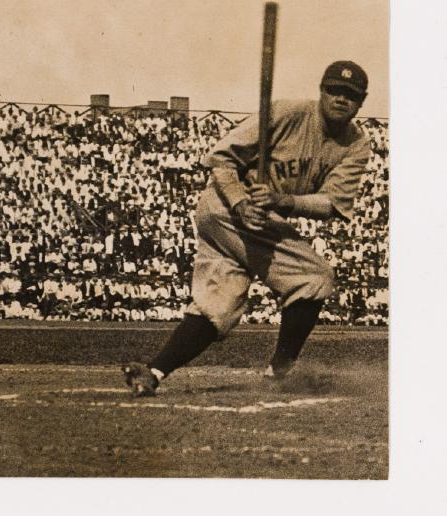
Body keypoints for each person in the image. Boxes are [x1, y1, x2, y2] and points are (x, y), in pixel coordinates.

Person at [123, 61, 372, 396]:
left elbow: (332, 204)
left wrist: (282, 201)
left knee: (217, 309)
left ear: (361, 102)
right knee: (313, 276)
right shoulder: (286, 113)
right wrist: (241, 201)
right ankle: (280, 371)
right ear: (321, 91)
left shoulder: (355, 145)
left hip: (257, 217)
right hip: (223, 206)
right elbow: (220, 158)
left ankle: (152, 372)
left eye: (351, 95)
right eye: (335, 90)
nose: (341, 99)